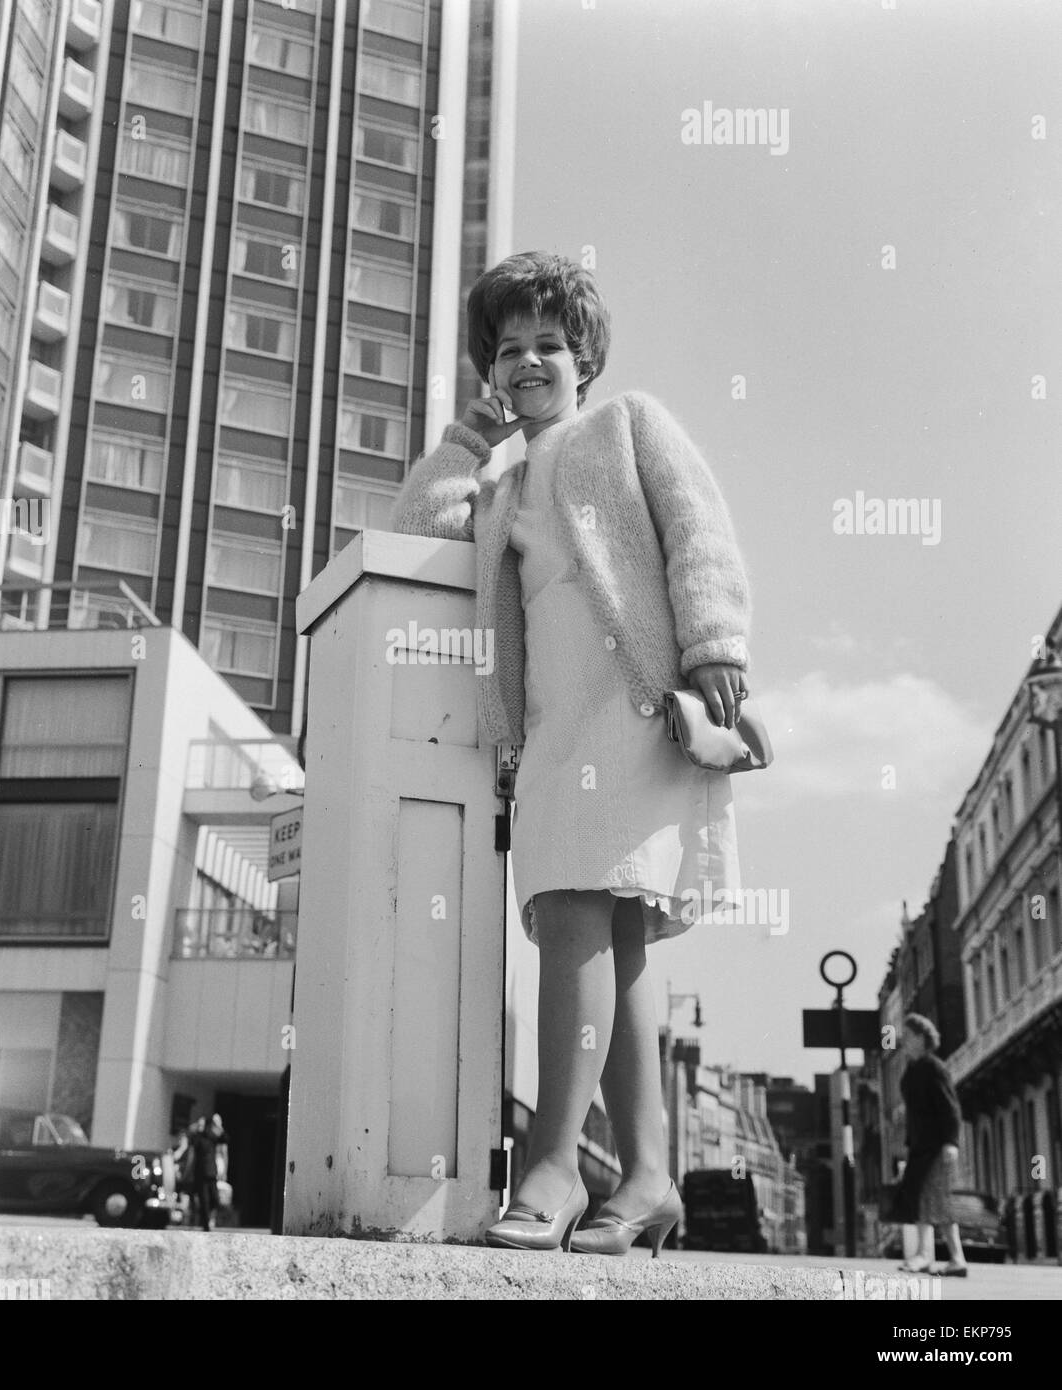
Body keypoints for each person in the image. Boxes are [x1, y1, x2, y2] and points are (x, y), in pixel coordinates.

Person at [391, 252, 752, 1255]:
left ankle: (551, 1166)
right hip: (552, 730)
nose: (530, 360)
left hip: (632, 709)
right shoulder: (499, 474)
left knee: (574, 927)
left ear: (583, 354)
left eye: (548, 342)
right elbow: (417, 524)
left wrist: (717, 642)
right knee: (616, 946)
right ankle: (644, 1179)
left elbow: (697, 528)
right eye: (509, 349)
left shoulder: (626, 421)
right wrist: (471, 434)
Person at [892, 1013, 967, 1276]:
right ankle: (948, 1258)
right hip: (920, 1146)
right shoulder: (912, 1070)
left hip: (937, 1146)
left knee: (933, 1199)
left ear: (923, 1038)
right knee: (925, 1199)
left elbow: (951, 1108)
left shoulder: (934, 1068)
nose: (904, 1041)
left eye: (909, 1036)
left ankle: (933, 1256)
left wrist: (951, 1142)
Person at [187, 1115, 217, 1231]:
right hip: (200, 1174)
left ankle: (210, 1218)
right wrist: (196, 1128)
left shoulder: (210, 1137)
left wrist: (219, 1125)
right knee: (204, 1200)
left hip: (212, 1172)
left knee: (215, 1198)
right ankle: (206, 1226)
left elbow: (224, 1138)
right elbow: (191, 1138)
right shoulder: (197, 1138)